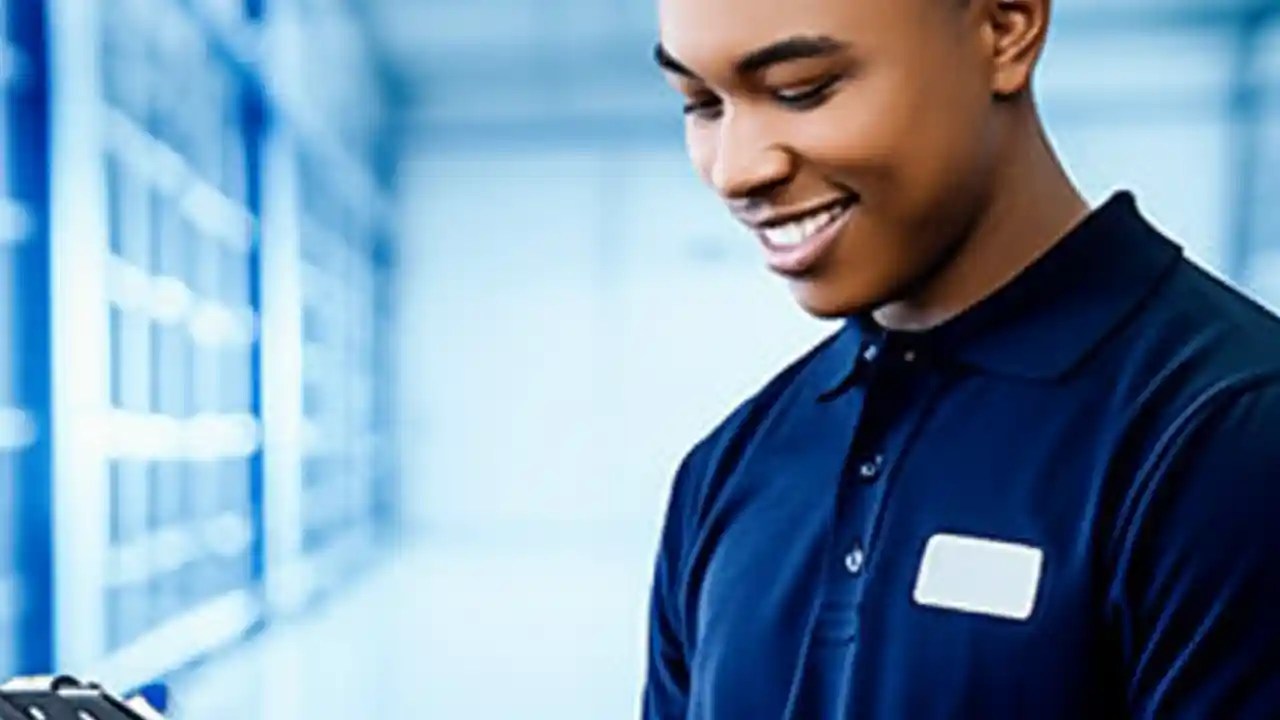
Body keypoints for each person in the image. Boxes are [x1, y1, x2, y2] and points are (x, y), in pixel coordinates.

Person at [640, 0, 1280, 718]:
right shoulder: (728, 469)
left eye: (802, 90)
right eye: (702, 104)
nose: (735, 171)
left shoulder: (1229, 435)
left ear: (1006, 27)